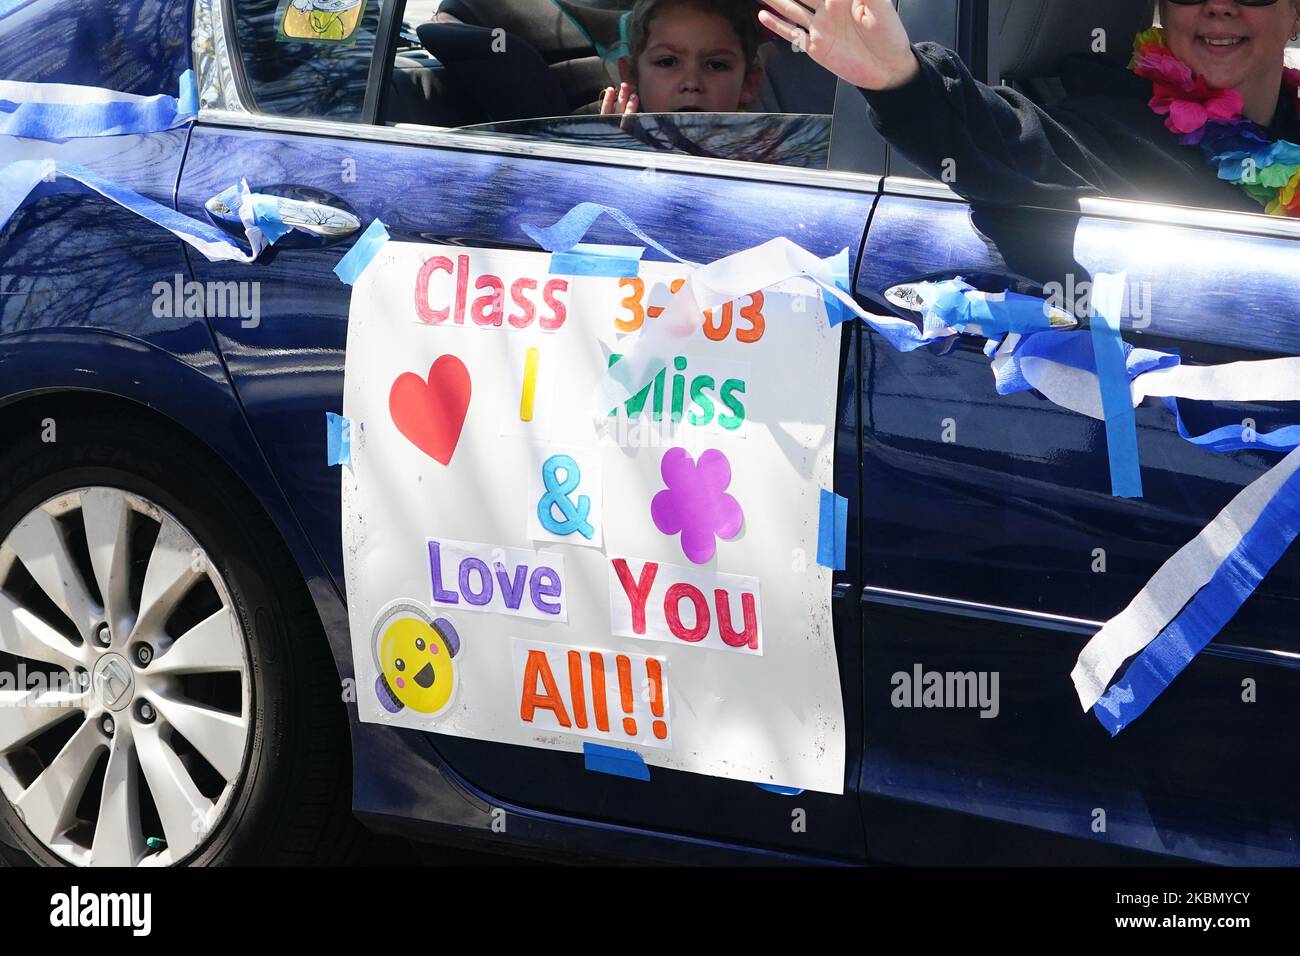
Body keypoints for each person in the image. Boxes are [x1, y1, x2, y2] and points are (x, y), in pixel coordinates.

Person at [756, 0, 1300, 216]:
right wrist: (900, 81)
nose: (1219, 6)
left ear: (1294, 14)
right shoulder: (1114, 128)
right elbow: (1012, 146)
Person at [600, 0, 766, 115]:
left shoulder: (769, 157)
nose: (692, 83)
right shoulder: (611, 152)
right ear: (632, 76)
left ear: (748, 83)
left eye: (716, 65)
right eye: (667, 62)